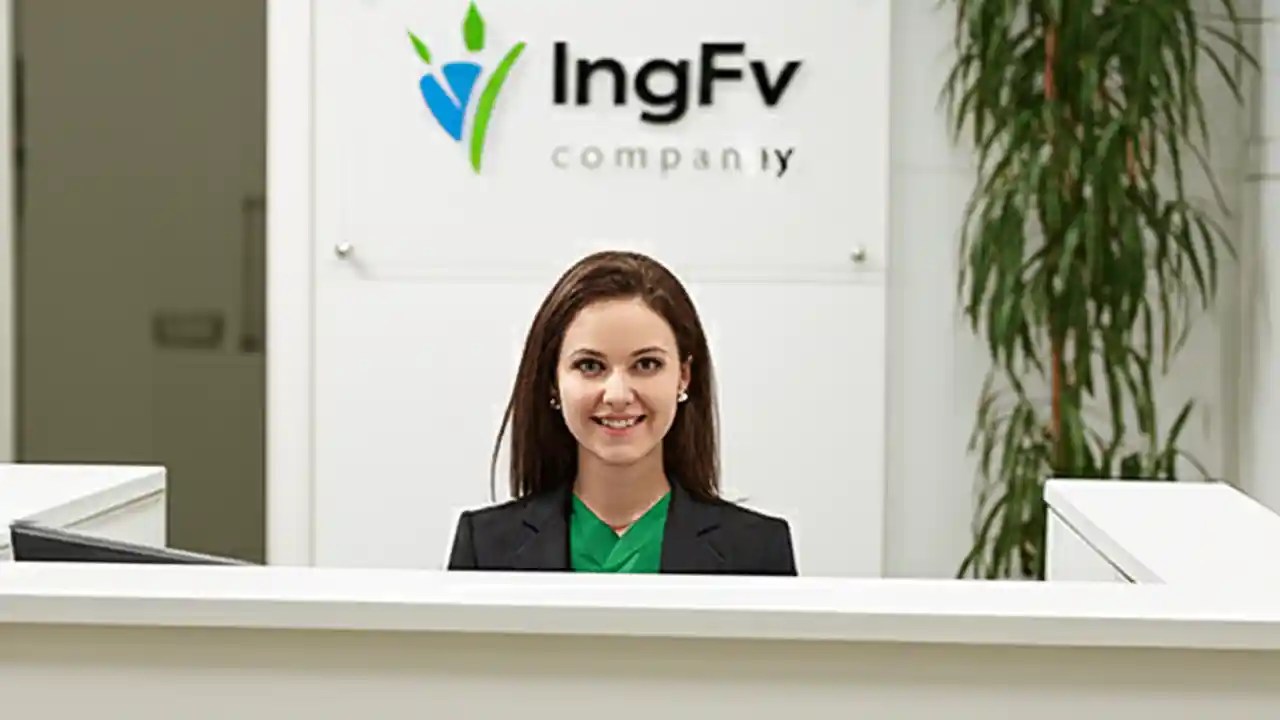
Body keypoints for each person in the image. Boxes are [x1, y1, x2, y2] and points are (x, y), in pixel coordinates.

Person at [447, 250, 797, 575]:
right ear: (553, 382)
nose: (617, 395)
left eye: (646, 364)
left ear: (683, 376)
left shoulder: (758, 551)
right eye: (590, 365)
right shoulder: (485, 548)